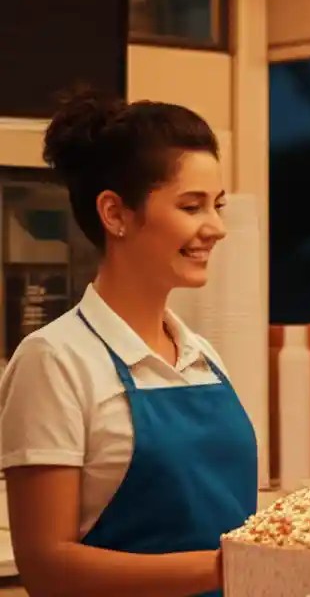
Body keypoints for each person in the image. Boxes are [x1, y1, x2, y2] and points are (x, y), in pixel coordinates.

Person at [0, 92, 256, 597]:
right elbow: (47, 568)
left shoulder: (204, 357)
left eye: (218, 206)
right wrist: (228, 568)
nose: (217, 228)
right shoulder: (55, 361)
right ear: (115, 213)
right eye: (192, 206)